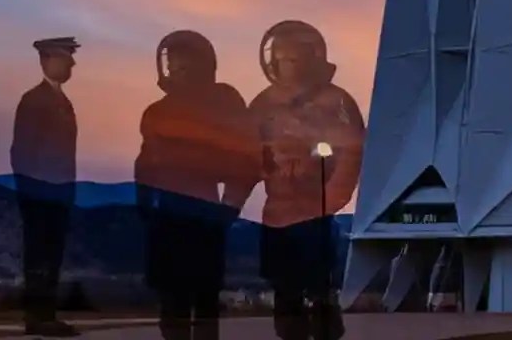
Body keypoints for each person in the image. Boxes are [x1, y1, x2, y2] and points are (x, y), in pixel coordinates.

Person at [135, 31, 260, 340]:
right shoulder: (156, 112)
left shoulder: (225, 101)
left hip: (206, 213)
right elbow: (146, 160)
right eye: (174, 69)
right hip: (167, 214)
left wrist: (231, 204)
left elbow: (246, 156)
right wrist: (144, 200)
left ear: (205, 67)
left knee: (205, 295)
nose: (179, 75)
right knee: (171, 296)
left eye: (187, 68)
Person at [249, 21, 365, 340]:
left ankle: (325, 328)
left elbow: (353, 151)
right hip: (276, 215)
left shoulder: (337, 102)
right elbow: (243, 150)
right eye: (285, 58)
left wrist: (333, 195)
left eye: (298, 57)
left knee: (318, 284)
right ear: (273, 61)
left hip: (316, 210)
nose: (291, 65)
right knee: (284, 287)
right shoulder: (263, 104)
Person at [11, 36, 82, 337]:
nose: (72, 63)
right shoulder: (34, 100)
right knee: (39, 254)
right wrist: (30, 189)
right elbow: (22, 151)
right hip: (40, 192)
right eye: (66, 58)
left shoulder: (63, 102)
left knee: (51, 255)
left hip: (58, 191)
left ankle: (46, 315)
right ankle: (37, 317)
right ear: (47, 60)